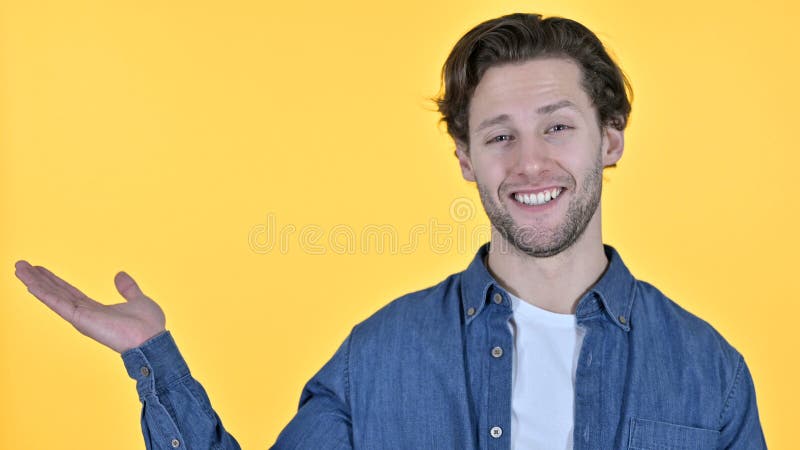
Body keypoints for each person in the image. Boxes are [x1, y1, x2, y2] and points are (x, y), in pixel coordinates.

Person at [13, 12, 766, 450]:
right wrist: (153, 358)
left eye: (558, 126)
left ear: (610, 140)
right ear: (466, 160)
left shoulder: (710, 372)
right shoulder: (381, 356)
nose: (530, 161)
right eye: (498, 135)